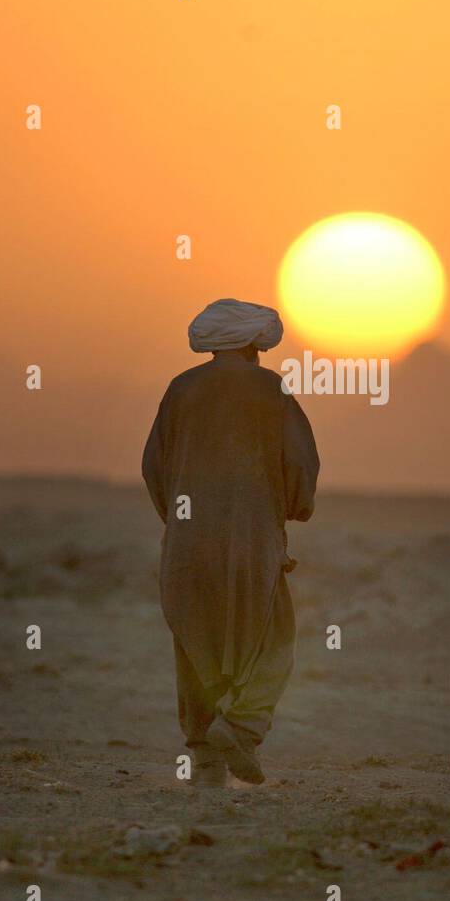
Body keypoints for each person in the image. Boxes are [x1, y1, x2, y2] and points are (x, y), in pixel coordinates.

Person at [142, 298, 319, 787]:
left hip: (187, 547)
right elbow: (300, 465)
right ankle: (240, 725)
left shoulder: (180, 389)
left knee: (196, 646)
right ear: (250, 344)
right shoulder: (271, 390)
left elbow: (154, 466)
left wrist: (180, 524)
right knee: (273, 639)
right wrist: (292, 508)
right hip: (251, 542)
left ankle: (206, 764)